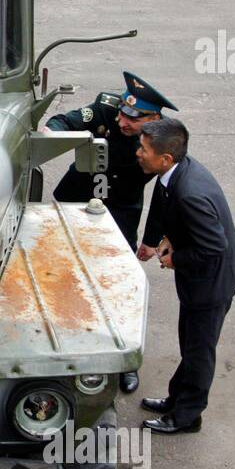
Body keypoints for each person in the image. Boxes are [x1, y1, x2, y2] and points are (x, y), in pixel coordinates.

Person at [41, 72, 178, 394]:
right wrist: (50, 133)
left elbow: (165, 191)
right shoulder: (105, 109)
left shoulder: (165, 140)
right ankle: (61, 342)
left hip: (121, 210)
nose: (122, 122)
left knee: (119, 284)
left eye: (133, 119)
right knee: (60, 272)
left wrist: (151, 239)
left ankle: (125, 360)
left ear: (153, 119)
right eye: (122, 115)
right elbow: (65, 120)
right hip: (76, 200)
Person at [135, 119, 235, 434]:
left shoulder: (189, 193)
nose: (138, 153)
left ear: (165, 158)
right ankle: (176, 400)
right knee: (191, 345)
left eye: (143, 149)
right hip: (201, 282)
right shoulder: (174, 173)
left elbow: (214, 246)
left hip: (211, 285)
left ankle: (187, 417)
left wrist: (175, 259)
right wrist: (161, 239)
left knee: (198, 352)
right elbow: (164, 207)